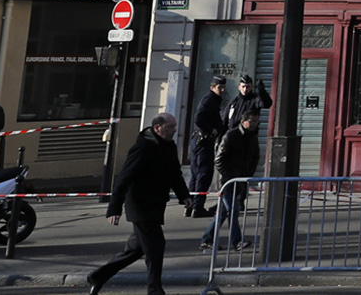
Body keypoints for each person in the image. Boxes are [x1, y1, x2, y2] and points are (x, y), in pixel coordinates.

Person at [88, 112, 190, 295]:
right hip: (140, 205)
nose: (174, 131)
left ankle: (99, 275)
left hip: (155, 204)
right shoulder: (143, 148)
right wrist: (114, 208)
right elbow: (124, 179)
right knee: (155, 247)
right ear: (157, 128)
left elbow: (175, 173)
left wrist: (185, 196)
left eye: (175, 127)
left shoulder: (169, 146)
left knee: (135, 249)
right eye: (170, 127)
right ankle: (155, 290)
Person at [200, 111, 259, 253]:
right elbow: (219, 160)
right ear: (243, 122)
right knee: (233, 210)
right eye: (251, 121)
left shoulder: (252, 137)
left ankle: (207, 239)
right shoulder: (231, 136)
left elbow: (255, 157)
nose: (254, 125)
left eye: (256, 122)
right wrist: (229, 177)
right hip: (228, 181)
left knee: (223, 212)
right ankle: (237, 241)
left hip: (240, 180)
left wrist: (247, 175)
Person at [187, 75, 226, 217]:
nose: (221, 90)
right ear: (212, 87)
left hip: (199, 140)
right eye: (219, 87)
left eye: (223, 87)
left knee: (196, 174)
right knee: (203, 173)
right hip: (202, 141)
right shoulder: (209, 100)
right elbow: (199, 118)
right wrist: (212, 129)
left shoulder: (213, 100)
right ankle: (197, 207)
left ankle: (190, 205)